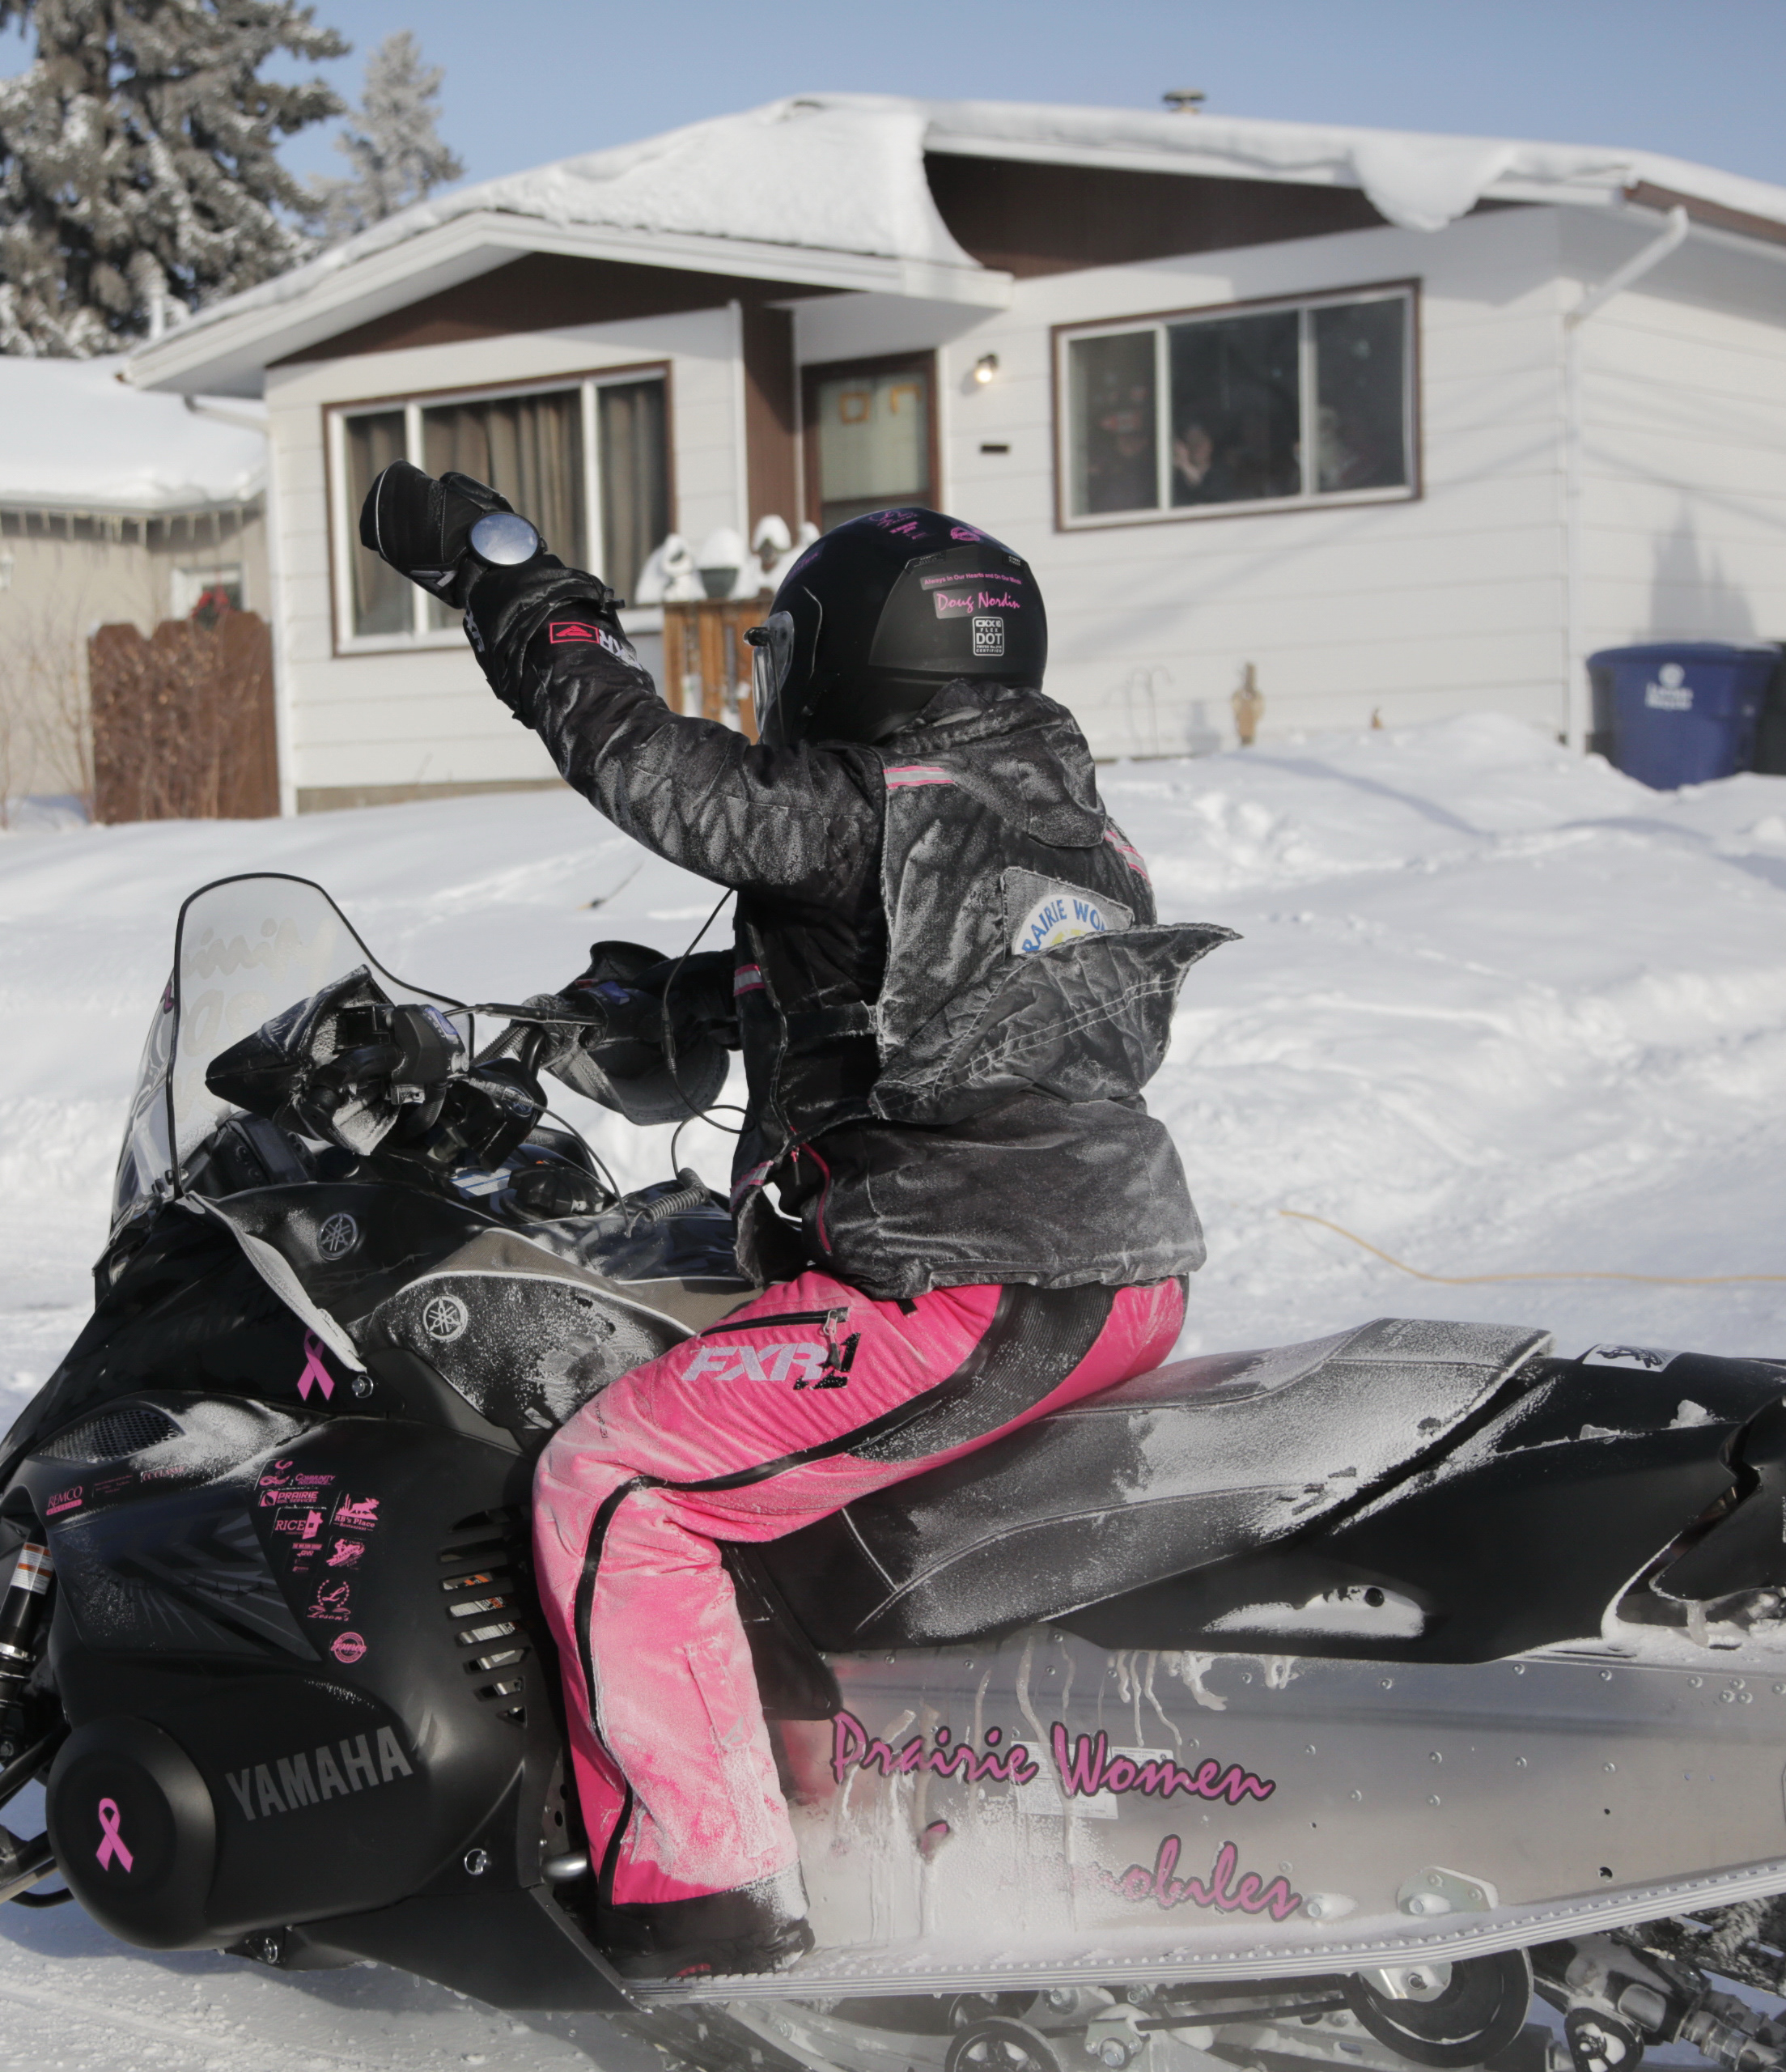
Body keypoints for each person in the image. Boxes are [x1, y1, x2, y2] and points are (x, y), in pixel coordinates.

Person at [358, 468, 1222, 1981]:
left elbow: (652, 770)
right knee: (749, 1472)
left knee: (619, 1482)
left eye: (787, 650)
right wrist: (661, 1010)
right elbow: (910, 997)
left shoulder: (867, 811)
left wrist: (507, 581)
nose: (773, 682)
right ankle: (822, 1802)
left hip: (967, 1283)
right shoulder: (1042, 814)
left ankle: (713, 1906)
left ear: (852, 657)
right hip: (1100, 1268)